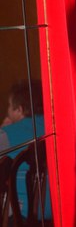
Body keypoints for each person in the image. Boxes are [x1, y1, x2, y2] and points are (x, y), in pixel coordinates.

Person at [0, 79, 51, 219]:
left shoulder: (7, 134)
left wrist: (3, 128)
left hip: (22, 215)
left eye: (10, 106)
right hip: (54, 209)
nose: (7, 111)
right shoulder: (52, 125)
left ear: (19, 110)